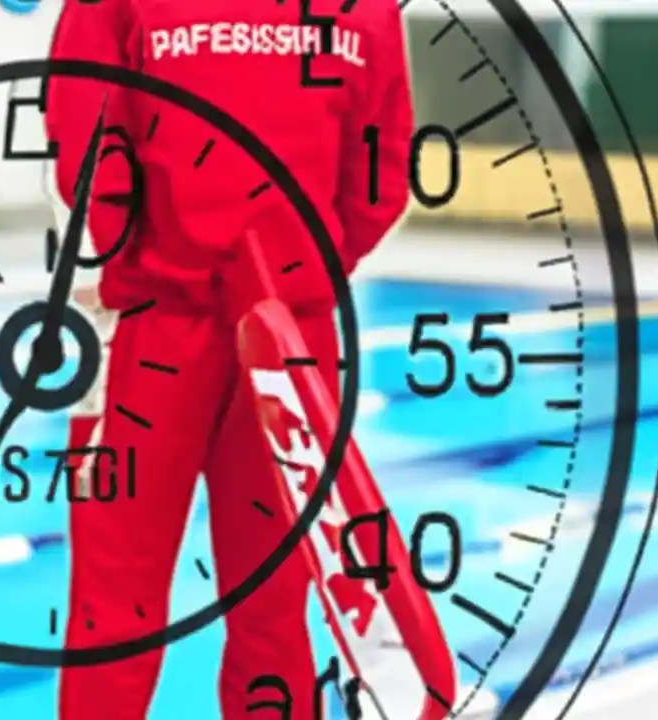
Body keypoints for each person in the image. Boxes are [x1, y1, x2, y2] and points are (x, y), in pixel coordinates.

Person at [43, 0, 413, 717]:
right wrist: (296, 273)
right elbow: (379, 180)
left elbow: (82, 135)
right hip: (291, 341)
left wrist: (140, 257)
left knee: (111, 609)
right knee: (274, 609)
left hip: (151, 325)